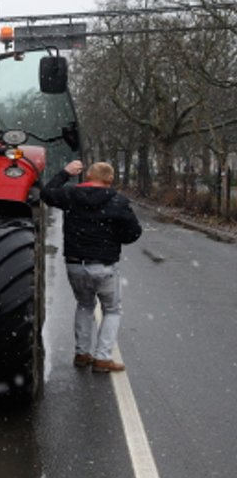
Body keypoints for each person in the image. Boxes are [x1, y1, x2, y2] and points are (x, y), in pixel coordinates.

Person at [40, 160, 142, 373]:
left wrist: (65, 172)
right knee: (112, 310)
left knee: (85, 305)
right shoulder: (118, 201)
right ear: (110, 180)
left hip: (75, 264)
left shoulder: (70, 196)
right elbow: (133, 233)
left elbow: (47, 193)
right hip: (104, 266)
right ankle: (103, 358)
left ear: (87, 177)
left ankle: (82, 354)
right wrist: (115, 237)